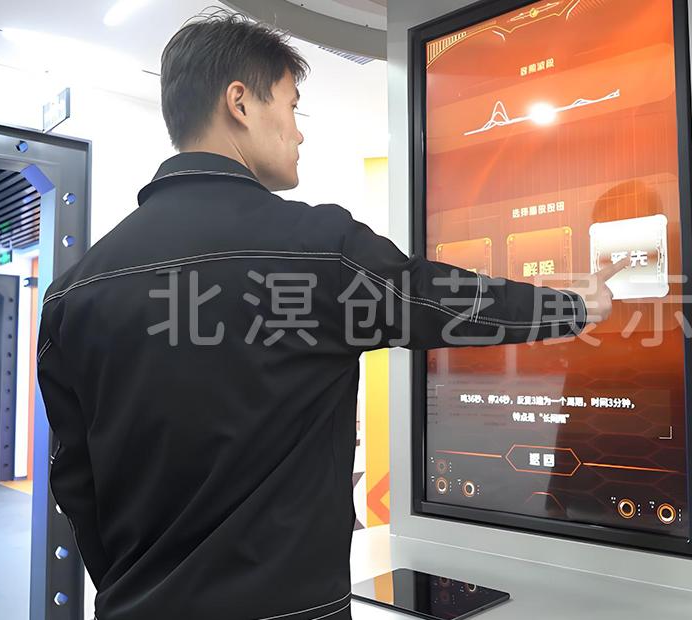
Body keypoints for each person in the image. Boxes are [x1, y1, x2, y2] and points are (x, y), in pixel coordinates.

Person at [35, 11, 627, 620]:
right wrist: (576, 306)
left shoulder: (72, 292)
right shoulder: (318, 249)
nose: (299, 134)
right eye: (293, 107)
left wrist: (135, 591)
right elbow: (442, 301)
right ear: (240, 103)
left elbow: (75, 483)